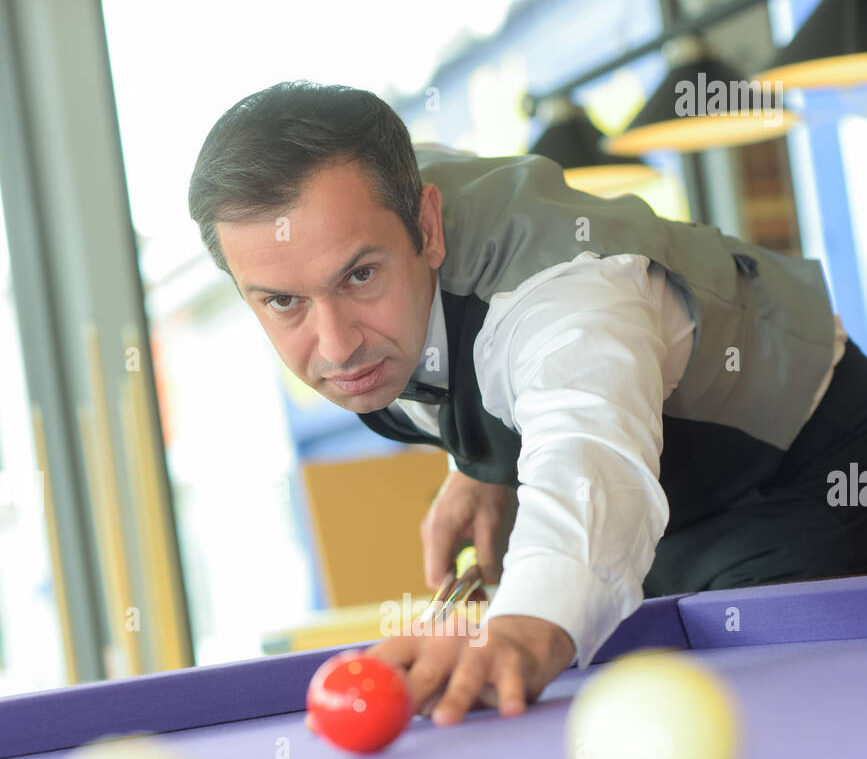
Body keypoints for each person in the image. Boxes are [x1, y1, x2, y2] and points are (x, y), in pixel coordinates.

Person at [188, 80, 865, 725]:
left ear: (427, 226)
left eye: (360, 276)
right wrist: (479, 465)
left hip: (798, 470)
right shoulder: (359, 203)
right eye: (282, 302)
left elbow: (587, 449)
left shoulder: (567, 297)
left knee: (775, 729)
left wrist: (519, 633)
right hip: (652, 492)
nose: (334, 347)